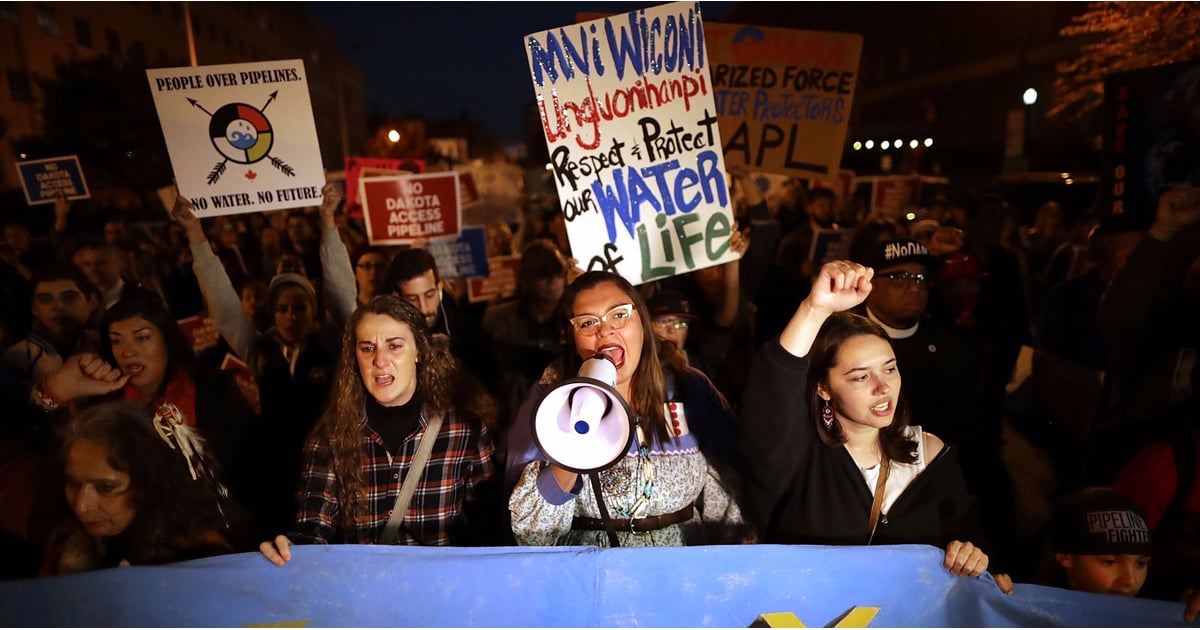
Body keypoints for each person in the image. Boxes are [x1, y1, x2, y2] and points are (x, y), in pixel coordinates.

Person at [738, 261, 1007, 588]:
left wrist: (971, 555)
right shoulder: (794, 453)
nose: (883, 387)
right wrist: (815, 307)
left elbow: (970, 540)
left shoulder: (929, 453)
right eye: (861, 376)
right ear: (823, 387)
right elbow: (777, 380)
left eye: (890, 369)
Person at [505, 270, 747, 548]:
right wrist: (574, 437)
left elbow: (731, 495)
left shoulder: (689, 387)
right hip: (595, 574)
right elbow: (532, 534)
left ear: (642, 323)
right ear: (571, 338)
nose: (605, 330)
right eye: (587, 322)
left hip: (684, 568)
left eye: (619, 315)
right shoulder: (551, 401)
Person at [258, 296, 503, 565]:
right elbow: (312, 533)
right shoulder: (331, 439)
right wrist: (287, 551)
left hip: (441, 597)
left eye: (394, 346)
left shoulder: (464, 430)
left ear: (419, 351)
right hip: (366, 600)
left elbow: (488, 533)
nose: (380, 360)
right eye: (367, 348)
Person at [175, 184, 356, 537]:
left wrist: (327, 222)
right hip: (276, 467)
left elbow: (342, 293)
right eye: (282, 309)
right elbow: (225, 306)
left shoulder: (332, 346)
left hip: (329, 459)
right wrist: (195, 234)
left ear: (314, 310)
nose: (291, 317)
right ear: (272, 313)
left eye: (300, 308)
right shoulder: (260, 350)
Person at [33, 287, 256, 489]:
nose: (128, 351)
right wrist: (55, 391)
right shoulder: (104, 401)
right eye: (117, 341)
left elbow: (244, 467)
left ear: (167, 341)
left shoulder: (214, 389)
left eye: (142, 338)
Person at [42, 400, 249, 575]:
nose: (81, 506)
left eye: (106, 487)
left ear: (153, 485)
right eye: (73, 483)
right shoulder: (76, 532)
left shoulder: (202, 562)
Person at [1045, 486, 1200, 622]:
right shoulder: (1031, 610)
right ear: (1065, 557)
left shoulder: (1163, 607)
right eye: (1110, 562)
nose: (1130, 581)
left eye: (1141, 563)